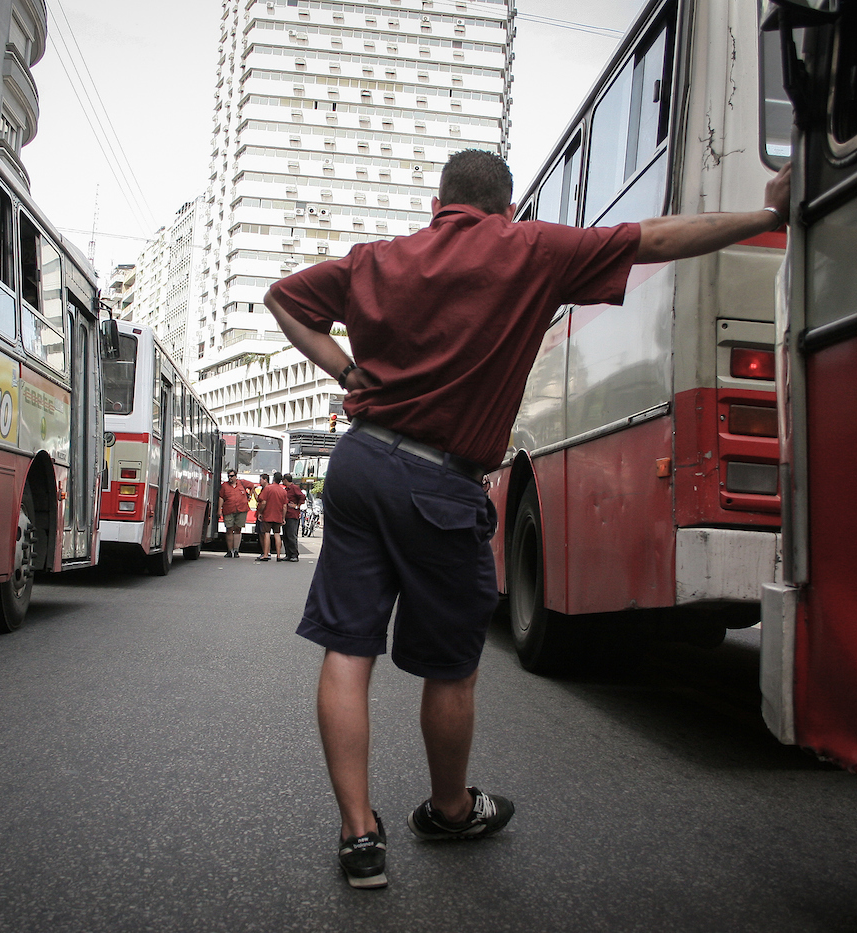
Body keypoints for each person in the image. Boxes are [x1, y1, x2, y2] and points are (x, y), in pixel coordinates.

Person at [263, 148, 792, 889]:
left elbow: (283, 297)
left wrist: (346, 371)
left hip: (358, 465)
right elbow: (659, 237)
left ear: (439, 202)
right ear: (505, 205)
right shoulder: (531, 248)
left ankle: (358, 838)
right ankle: (450, 810)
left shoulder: (377, 259)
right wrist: (770, 215)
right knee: (450, 666)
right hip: (440, 482)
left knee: (348, 649)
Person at [217, 470, 256, 558]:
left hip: (241, 509)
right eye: (229, 476)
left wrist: (249, 495)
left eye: (231, 476)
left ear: (235, 476)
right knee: (229, 529)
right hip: (229, 509)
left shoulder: (242, 483)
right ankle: (230, 551)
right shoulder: (224, 486)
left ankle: (236, 550)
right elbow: (221, 497)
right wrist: (219, 509)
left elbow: (252, 486)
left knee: (238, 529)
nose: (230, 478)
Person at [255, 472, 289, 562]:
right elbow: (285, 506)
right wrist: (283, 517)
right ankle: (278, 555)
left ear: (273, 478)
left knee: (267, 533)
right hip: (278, 515)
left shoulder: (268, 488)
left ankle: (266, 554)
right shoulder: (283, 491)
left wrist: (260, 512)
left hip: (268, 514)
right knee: (277, 534)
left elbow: (263, 502)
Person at [282, 473, 306, 561]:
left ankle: (294, 554)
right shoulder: (286, 489)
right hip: (286, 514)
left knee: (291, 535)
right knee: (285, 535)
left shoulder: (294, 488)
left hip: (292, 514)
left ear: (285, 480)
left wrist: (297, 506)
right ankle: (288, 553)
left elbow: (302, 497)